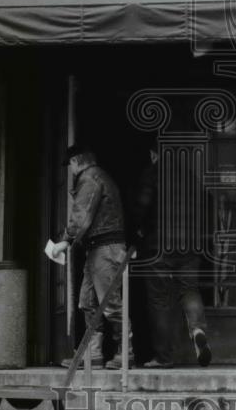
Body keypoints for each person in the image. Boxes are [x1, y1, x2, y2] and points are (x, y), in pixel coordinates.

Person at [131, 142, 212, 368]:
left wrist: (137, 229)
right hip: (190, 246)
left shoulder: (153, 172)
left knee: (159, 300)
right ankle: (197, 329)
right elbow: (206, 205)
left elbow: (142, 205)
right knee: (189, 289)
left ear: (154, 153)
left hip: (159, 247)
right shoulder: (190, 177)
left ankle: (163, 358)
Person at [54, 144, 133, 370]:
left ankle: (125, 352)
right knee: (88, 302)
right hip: (100, 247)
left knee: (110, 304)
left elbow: (82, 214)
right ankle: (94, 353)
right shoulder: (99, 177)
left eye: (69, 164)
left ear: (76, 161)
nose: (69, 170)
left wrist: (65, 241)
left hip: (105, 248)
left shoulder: (90, 178)